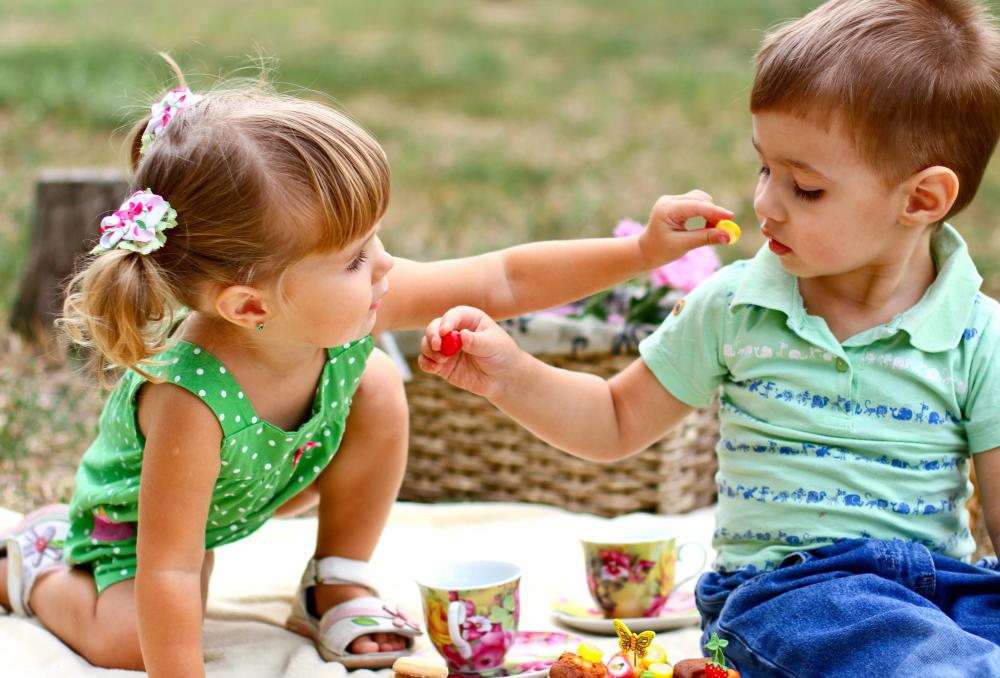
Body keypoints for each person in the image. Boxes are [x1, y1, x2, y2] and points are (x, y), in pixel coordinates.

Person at [0, 56, 733, 676]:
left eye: (376, 241)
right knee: (143, 636)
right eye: (355, 258)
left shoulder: (347, 305)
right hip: (136, 533)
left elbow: (502, 279)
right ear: (251, 308)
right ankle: (31, 567)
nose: (384, 267)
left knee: (377, 380)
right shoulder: (191, 399)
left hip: (260, 484)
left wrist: (639, 254)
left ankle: (336, 583)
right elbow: (164, 566)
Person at [418, 0, 1000, 674]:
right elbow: (613, 420)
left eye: (805, 187)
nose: (765, 203)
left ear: (922, 200)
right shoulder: (736, 306)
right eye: (765, 169)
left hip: (941, 592)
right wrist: (510, 375)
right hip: (788, 594)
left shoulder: (978, 334)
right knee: (914, 655)